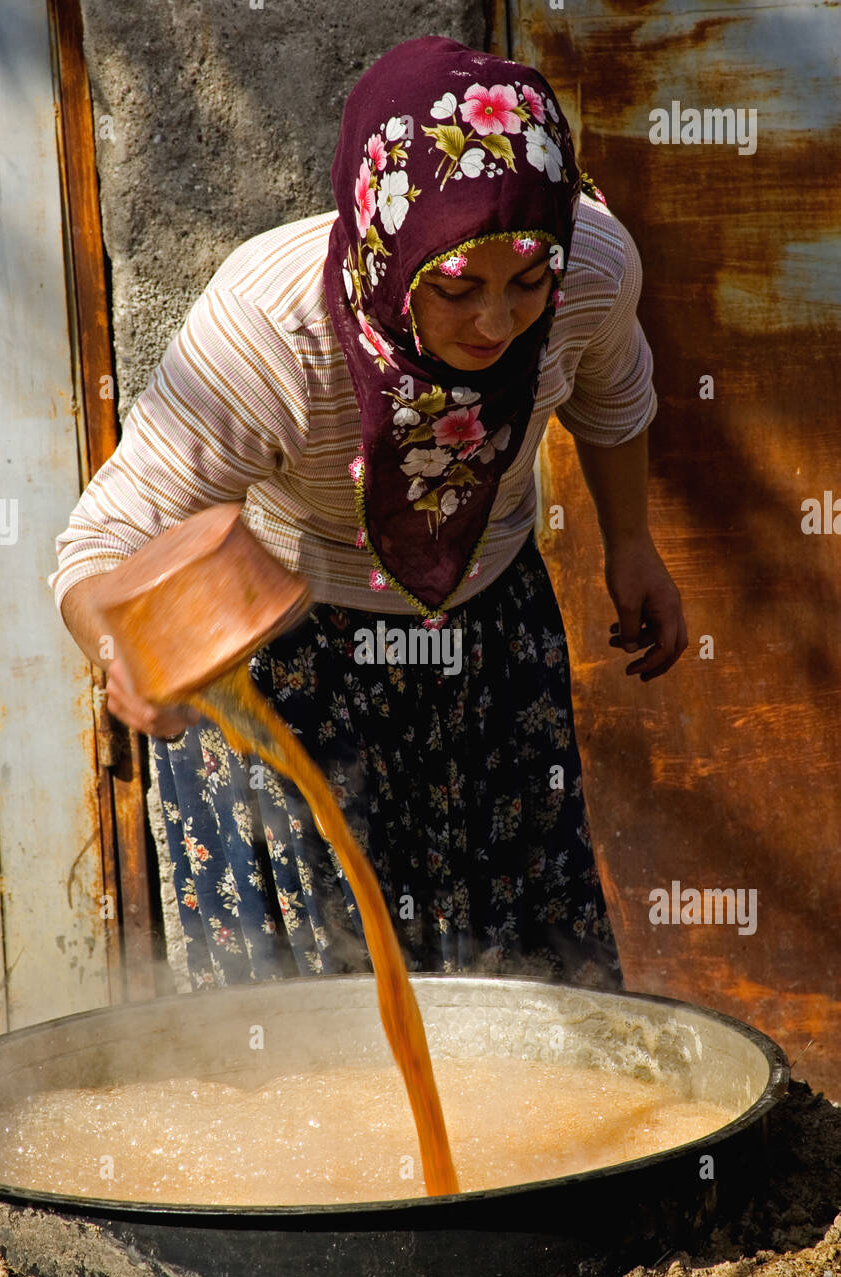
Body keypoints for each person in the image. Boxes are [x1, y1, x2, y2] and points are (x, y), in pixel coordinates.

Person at [50, 36, 686, 991]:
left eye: (525, 283)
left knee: (527, 988)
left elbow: (614, 393)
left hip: (489, 643)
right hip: (288, 663)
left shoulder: (590, 266)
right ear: (386, 252)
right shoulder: (268, 331)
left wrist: (633, 544)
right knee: (316, 1010)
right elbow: (98, 540)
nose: (496, 325)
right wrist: (121, 653)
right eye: (457, 289)